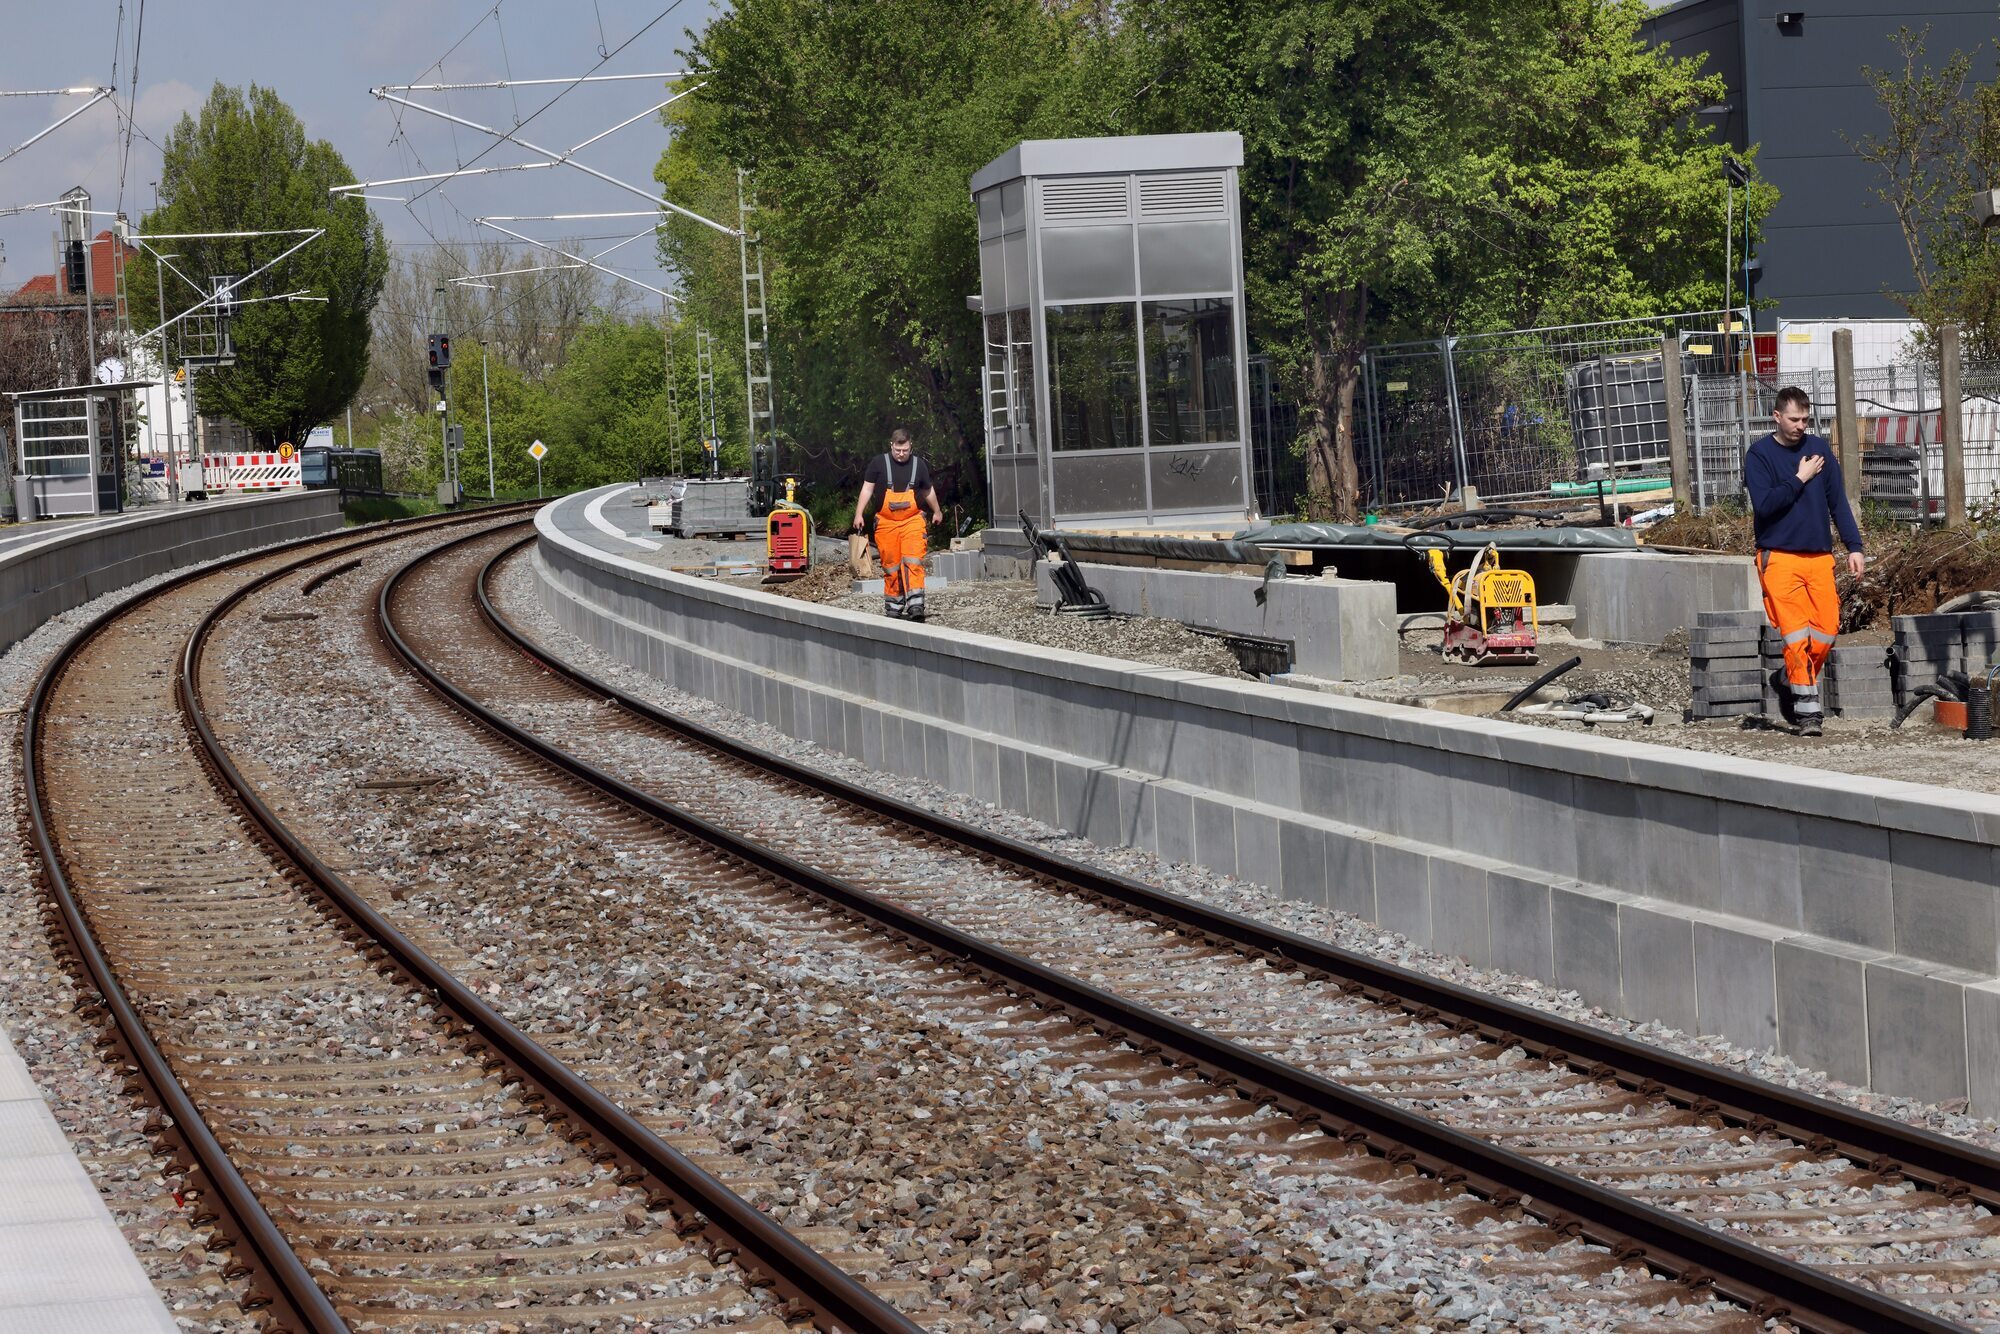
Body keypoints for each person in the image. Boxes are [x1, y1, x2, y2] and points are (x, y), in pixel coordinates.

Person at [1742, 385, 1866, 736]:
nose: (1800, 426)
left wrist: (1854, 546)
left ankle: (1788, 679)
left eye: (1805, 420)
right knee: (1795, 637)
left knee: (1826, 633)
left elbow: (1837, 503)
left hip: (1819, 558)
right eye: (1794, 419)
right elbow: (1765, 506)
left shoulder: (1819, 449)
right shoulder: (1760, 456)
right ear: (1776, 417)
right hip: (1778, 558)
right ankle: (1808, 714)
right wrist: (1800, 477)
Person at [853, 428, 943, 621]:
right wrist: (859, 513)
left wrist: (937, 511)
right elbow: (867, 489)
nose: (901, 454)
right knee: (891, 565)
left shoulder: (919, 465)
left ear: (911, 446)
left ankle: (916, 606)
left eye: (905, 450)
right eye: (897, 450)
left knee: (913, 561)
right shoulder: (878, 463)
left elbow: (928, 490)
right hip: (886, 523)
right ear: (891, 445)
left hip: (912, 521)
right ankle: (894, 606)